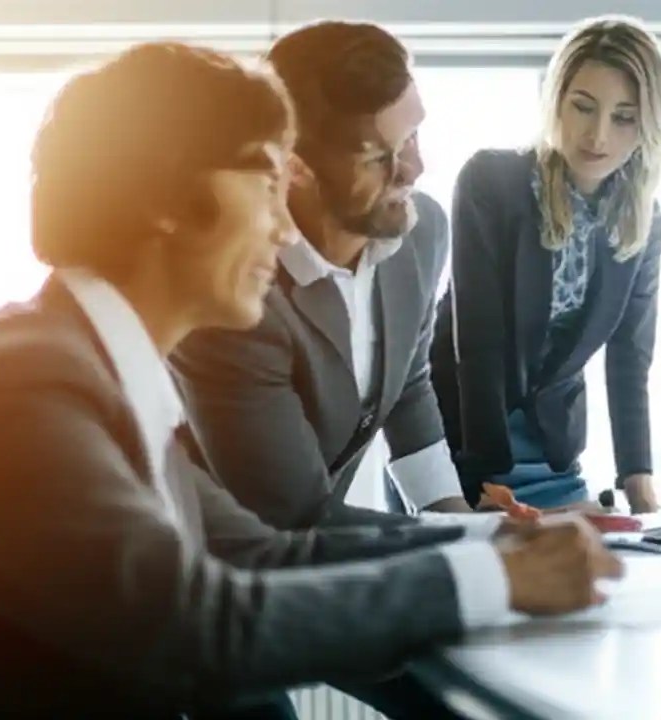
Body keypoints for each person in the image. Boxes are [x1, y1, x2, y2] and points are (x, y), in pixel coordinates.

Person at [0, 42, 621, 717]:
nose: (282, 225)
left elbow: (260, 553)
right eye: (268, 184)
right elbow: (197, 629)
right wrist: (494, 578)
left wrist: (491, 539)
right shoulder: (23, 393)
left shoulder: (101, 376)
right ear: (166, 200)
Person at [171, 21, 472, 526]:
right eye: (381, 156)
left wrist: (468, 520)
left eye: (414, 133)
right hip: (213, 571)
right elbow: (291, 513)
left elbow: (407, 388)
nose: (414, 168)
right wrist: (483, 548)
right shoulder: (234, 292)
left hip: (320, 552)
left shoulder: (422, 232)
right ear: (296, 168)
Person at [430, 16, 661, 512]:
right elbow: (477, 344)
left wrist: (638, 481)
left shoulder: (643, 220)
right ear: (556, 98)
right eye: (583, 106)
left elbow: (629, 357)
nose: (597, 134)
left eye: (624, 117)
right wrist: (483, 481)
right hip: (463, 442)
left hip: (553, 450)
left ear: (647, 127)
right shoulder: (490, 183)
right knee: (484, 577)